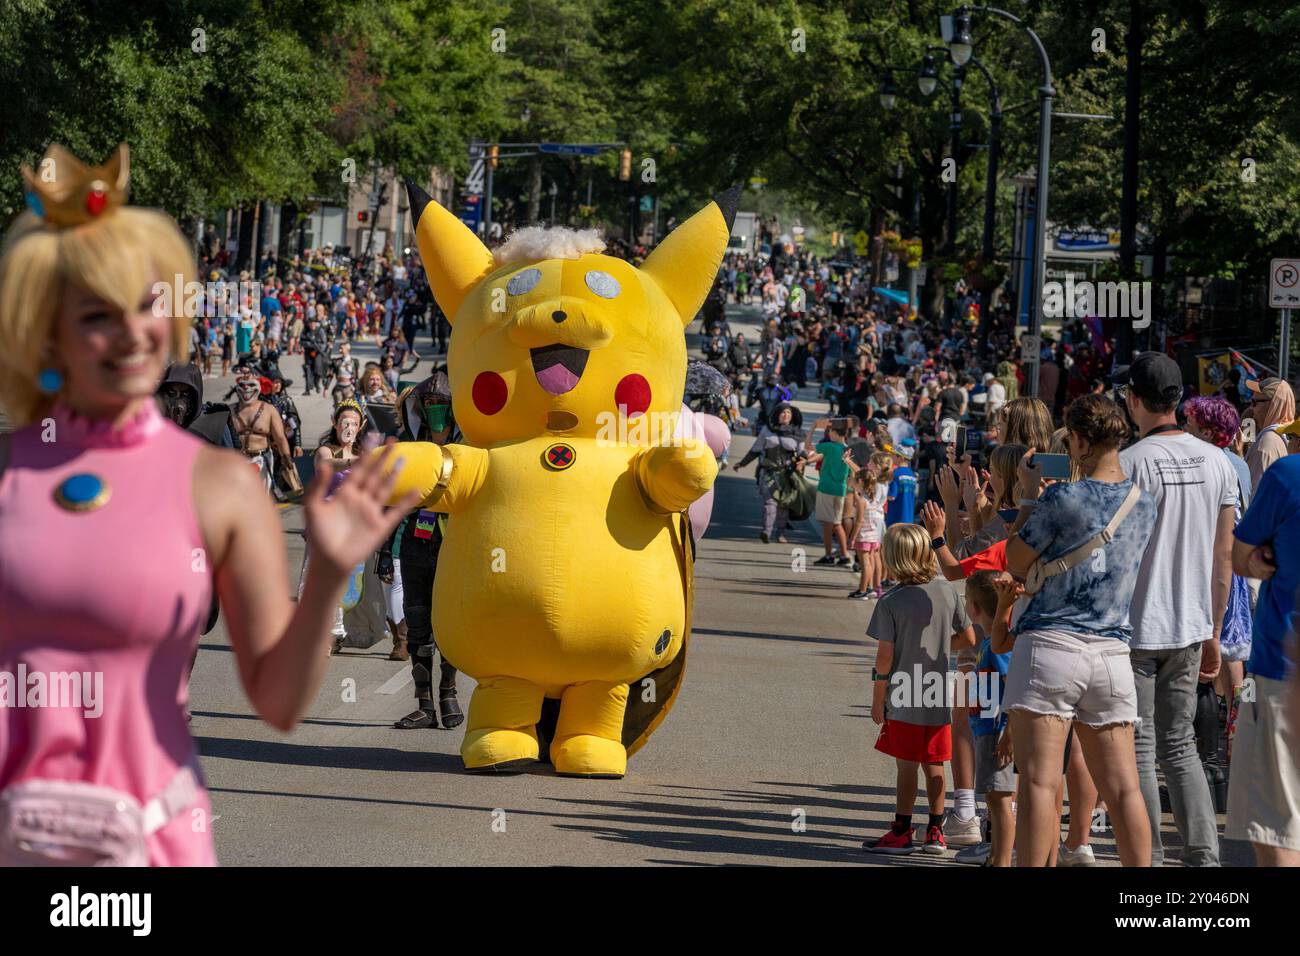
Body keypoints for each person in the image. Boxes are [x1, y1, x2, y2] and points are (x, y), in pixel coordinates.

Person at [0, 142, 419, 865]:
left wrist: (325, 574)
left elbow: (279, 700)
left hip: (149, 838)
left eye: (148, 305)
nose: (135, 333)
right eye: (99, 313)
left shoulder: (217, 484)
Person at [1001, 393, 1158, 867]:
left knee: (1039, 782)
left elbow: (1015, 559)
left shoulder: (1062, 497)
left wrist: (1031, 495)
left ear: (1083, 441)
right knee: (1125, 786)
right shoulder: (1143, 502)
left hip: (1051, 644)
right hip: (1112, 654)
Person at [1116, 352, 1238, 868]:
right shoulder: (1217, 461)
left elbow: (1113, 552)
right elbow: (1224, 557)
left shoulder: (1129, 463)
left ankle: (1147, 857)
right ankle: (1203, 858)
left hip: (1138, 625)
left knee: (1142, 748)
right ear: (1179, 401)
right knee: (1181, 745)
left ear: (1133, 401)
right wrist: (1215, 629)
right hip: (1191, 624)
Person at [865, 524, 977, 855]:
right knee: (935, 764)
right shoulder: (946, 592)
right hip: (937, 690)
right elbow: (970, 639)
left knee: (906, 766)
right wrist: (943, 645)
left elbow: (884, 658)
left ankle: (901, 830)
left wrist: (877, 698)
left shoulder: (891, 601)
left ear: (894, 559)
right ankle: (935, 831)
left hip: (904, 690)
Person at [1228, 452, 1300, 865]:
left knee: (1275, 833)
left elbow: (1240, 556)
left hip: (1281, 674)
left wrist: (1255, 558)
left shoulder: (1288, 476)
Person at [385, 372, 465, 729]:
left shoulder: (469, 448)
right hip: (416, 546)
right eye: (429, 403)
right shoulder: (411, 446)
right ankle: (424, 704)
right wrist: (386, 552)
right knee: (418, 625)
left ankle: (449, 696)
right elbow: (393, 503)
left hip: (455, 546)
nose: (435, 409)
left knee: (449, 628)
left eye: (442, 404)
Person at [955, 571, 1016, 867]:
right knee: (992, 799)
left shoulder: (998, 646)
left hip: (996, 732)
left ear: (974, 607)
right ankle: (995, 855)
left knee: (1001, 801)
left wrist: (1009, 733)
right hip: (985, 729)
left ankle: (1002, 860)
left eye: (967, 599)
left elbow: (1014, 688)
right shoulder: (989, 642)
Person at [735, 402, 807, 543]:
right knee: (770, 502)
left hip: (788, 474)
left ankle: (780, 533)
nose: (785, 415)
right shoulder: (767, 430)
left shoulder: (798, 433)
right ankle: (766, 531)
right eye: (783, 412)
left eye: (788, 413)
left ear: (792, 416)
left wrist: (802, 463)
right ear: (777, 414)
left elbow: (801, 454)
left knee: (783, 505)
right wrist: (742, 463)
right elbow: (755, 449)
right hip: (768, 472)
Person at [230, 366, 299, 495]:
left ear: (260, 387)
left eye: (251, 384)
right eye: (243, 385)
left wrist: (287, 458)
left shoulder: (269, 410)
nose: (246, 388)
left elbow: (280, 437)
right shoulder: (229, 411)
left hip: (261, 460)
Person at [807, 418, 852, 566]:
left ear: (834, 432)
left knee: (827, 524)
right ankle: (844, 555)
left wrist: (813, 427)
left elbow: (808, 446)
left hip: (826, 487)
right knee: (836, 523)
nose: (829, 434)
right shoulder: (847, 449)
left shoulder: (829, 446)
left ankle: (828, 555)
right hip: (841, 489)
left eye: (830, 431)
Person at [844, 453, 888, 599]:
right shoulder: (876, 488)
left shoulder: (866, 496)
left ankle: (865, 589)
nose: (868, 463)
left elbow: (859, 521)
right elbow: (860, 475)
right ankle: (872, 587)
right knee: (872, 559)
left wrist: (852, 537)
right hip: (874, 529)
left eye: (870, 462)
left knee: (867, 563)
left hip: (866, 532)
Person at [1244, 376, 1296, 491]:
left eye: (1254, 402)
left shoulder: (1267, 442)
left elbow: (1254, 496)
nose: (1251, 408)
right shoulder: (1294, 434)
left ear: (1272, 404)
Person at [885, 441, 917, 526]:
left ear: (901, 458)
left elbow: (891, 496)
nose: (892, 457)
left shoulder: (895, 473)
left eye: (895, 455)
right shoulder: (912, 474)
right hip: (909, 518)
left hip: (895, 519)